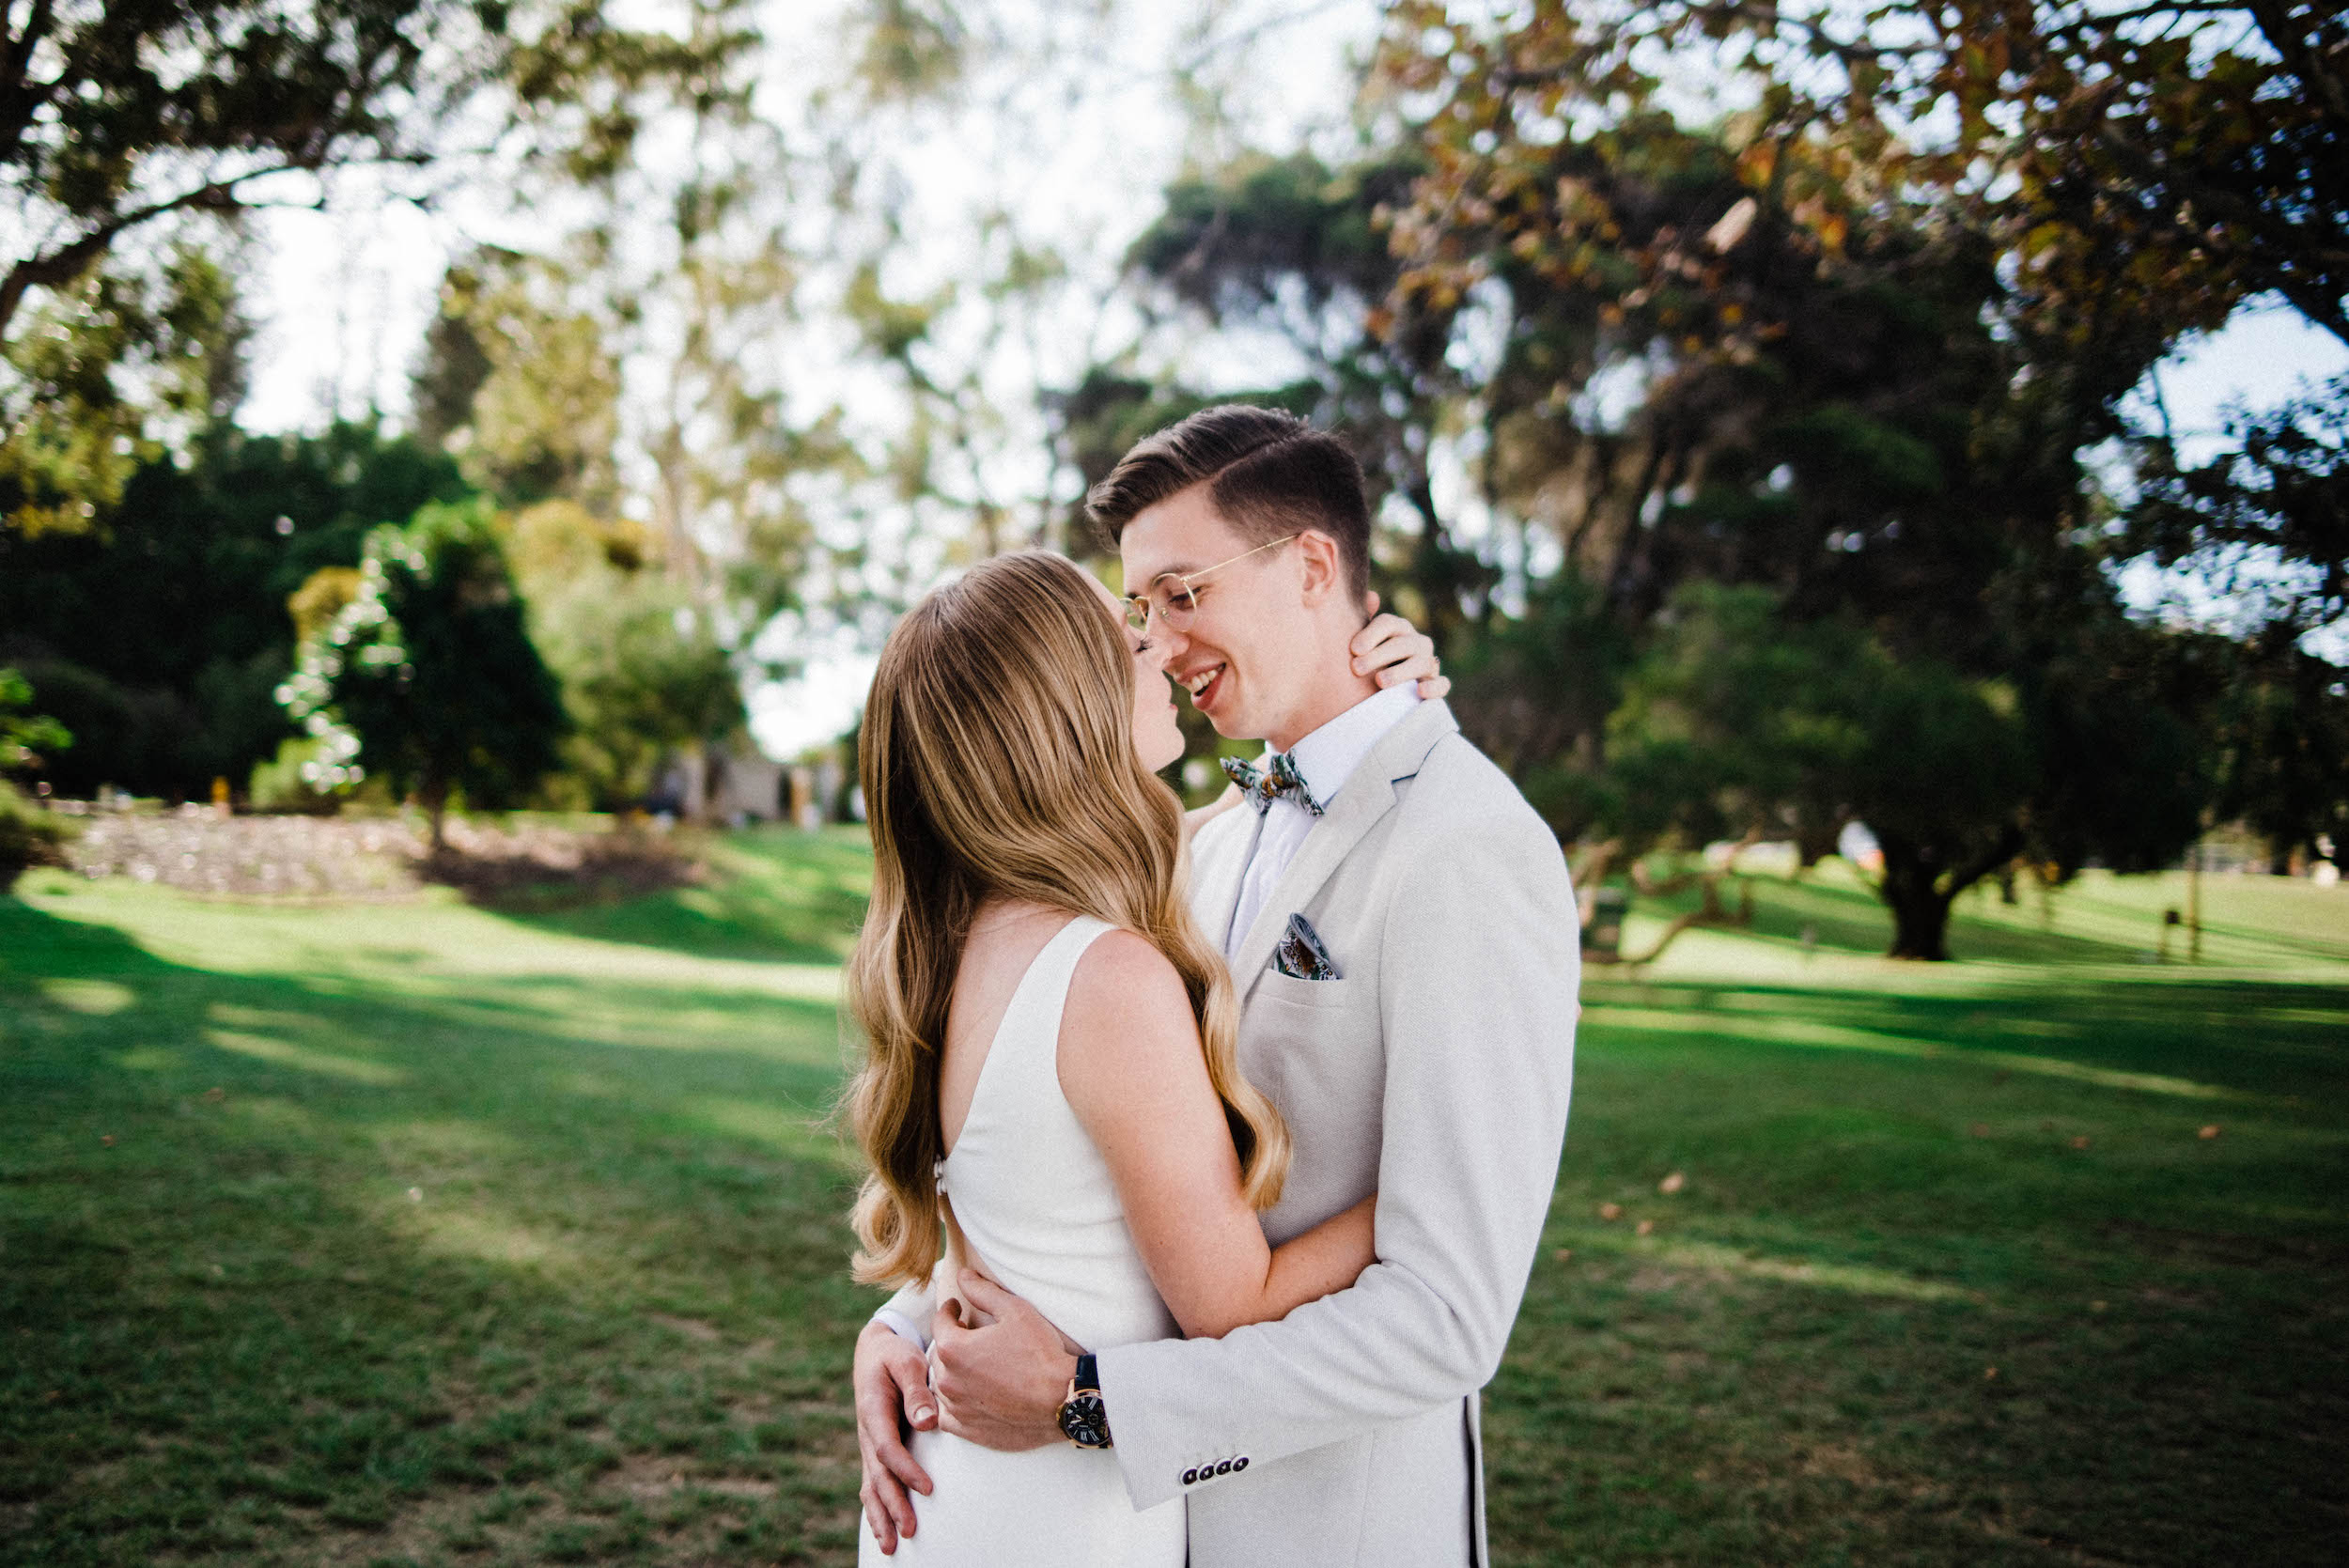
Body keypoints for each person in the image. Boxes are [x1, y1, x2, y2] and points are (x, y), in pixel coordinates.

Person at [855, 405, 1579, 1567]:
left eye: (1182, 594)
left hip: (1321, 1532)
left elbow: (1446, 1315)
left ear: (1309, 567)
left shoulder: (1466, 845)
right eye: (1138, 611)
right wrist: (904, 1327)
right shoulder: (1189, 844)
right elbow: (1070, 1156)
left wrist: (1089, 1403)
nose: (1158, 642)